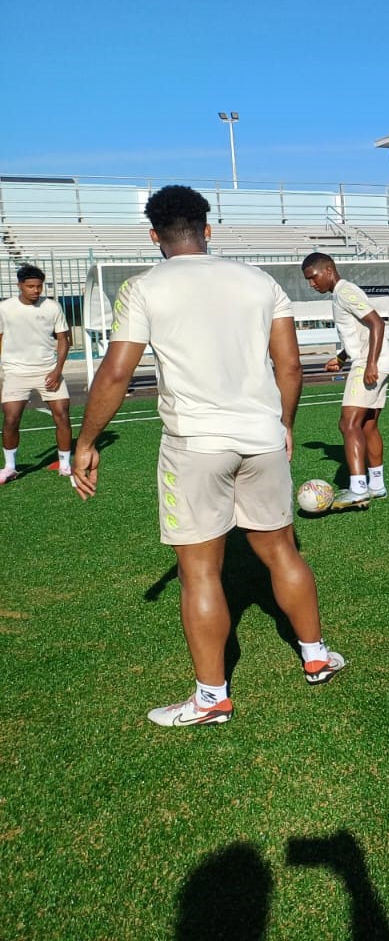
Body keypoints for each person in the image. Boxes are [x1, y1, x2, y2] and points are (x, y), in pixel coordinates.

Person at [72, 185, 344, 727]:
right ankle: (316, 655)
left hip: (196, 444)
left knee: (199, 572)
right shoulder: (260, 281)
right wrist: (284, 426)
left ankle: (212, 696)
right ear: (207, 229)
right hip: (262, 437)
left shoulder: (143, 287)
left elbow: (116, 372)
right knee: (282, 552)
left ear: (154, 236)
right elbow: (289, 368)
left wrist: (85, 443)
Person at [301, 253, 389, 511]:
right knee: (368, 425)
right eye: (308, 280)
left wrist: (370, 363)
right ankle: (377, 485)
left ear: (328, 270)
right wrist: (342, 357)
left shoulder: (344, 291)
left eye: (313, 277)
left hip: (369, 361)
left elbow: (376, 323)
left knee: (348, 423)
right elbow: (360, 331)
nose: (311, 284)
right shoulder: (342, 293)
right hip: (375, 359)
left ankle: (357, 489)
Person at [0, 264, 73, 484]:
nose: (35, 290)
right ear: (19, 285)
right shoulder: (4, 308)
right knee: (11, 419)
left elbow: (63, 339)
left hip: (47, 370)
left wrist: (57, 370)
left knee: (62, 414)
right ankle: (10, 467)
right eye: (30, 286)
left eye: (39, 286)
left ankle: (65, 463)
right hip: (14, 371)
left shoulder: (52, 307)